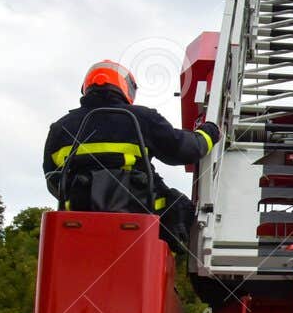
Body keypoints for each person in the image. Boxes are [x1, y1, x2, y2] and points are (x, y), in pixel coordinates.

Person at [43, 60, 219, 256]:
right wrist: (208, 133)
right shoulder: (143, 118)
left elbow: (53, 179)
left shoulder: (60, 128)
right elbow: (183, 150)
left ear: (87, 87)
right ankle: (162, 260)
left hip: (78, 217)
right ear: (125, 87)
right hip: (139, 212)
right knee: (179, 206)